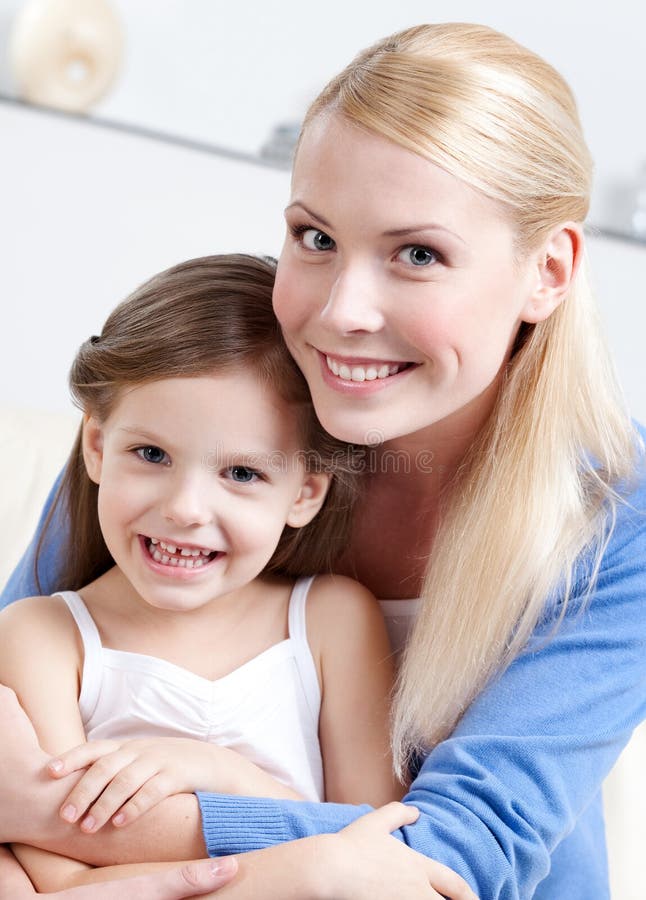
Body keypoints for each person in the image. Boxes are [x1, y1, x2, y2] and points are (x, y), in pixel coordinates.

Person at [1, 19, 645, 900]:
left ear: (548, 269)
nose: (342, 311)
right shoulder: (205, 419)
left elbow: (454, 859)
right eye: (314, 237)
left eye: (418, 254)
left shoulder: (618, 514)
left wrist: (47, 813)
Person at [0, 254, 407, 892]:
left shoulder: (331, 620)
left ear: (304, 493)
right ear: (98, 447)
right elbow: (61, 878)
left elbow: (379, 839)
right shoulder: (42, 637)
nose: (185, 508)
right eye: (151, 453)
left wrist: (220, 773)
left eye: (242, 473)